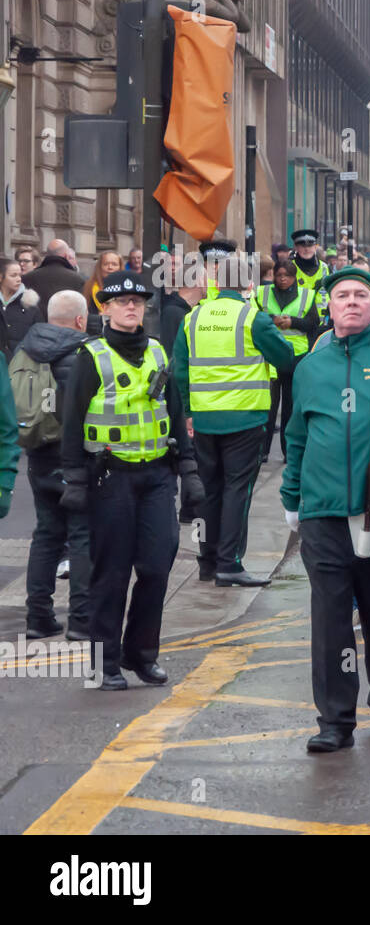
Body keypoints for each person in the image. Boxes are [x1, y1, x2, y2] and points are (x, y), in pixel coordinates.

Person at [281, 267, 370, 753]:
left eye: (363, 294)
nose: (353, 302)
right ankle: (335, 720)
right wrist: (291, 497)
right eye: (343, 295)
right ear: (330, 306)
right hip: (323, 512)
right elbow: (296, 435)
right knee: (331, 619)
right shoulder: (309, 367)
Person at [60, 270, 205, 689]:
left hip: (157, 474)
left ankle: (140, 654)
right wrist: (74, 480)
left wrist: (190, 471)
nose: (130, 308)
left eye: (138, 303)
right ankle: (103, 661)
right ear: (104, 309)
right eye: (122, 303)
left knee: (158, 567)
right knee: (112, 572)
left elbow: (176, 416)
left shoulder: (160, 352)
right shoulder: (91, 356)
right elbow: (71, 423)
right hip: (110, 477)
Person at [174, 240, 294, 586]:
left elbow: (180, 370)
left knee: (208, 491)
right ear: (247, 284)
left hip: (206, 418)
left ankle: (207, 561)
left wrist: (191, 411)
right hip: (245, 418)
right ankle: (230, 562)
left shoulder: (192, 318)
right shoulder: (251, 317)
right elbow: (285, 359)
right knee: (236, 491)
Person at [20, 291, 90, 639]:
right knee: (81, 535)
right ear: (80, 320)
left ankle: (38, 618)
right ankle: (80, 620)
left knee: (46, 536)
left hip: (37, 454)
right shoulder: (84, 351)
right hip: (73, 457)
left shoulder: (24, 349)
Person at [256, 259, 320, 463]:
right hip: (271, 354)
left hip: (295, 357)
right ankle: (263, 451)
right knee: (269, 406)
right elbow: (253, 316)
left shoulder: (307, 296)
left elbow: (313, 324)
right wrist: (272, 320)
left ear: (294, 278)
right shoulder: (261, 293)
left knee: (290, 409)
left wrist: (292, 322)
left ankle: (288, 452)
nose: (283, 279)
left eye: (287, 275)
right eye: (279, 275)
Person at [25, 240, 83, 317]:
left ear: (47, 254)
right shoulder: (78, 279)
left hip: (35, 326)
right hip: (65, 326)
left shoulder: (27, 278)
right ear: (66, 255)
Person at [0, 256, 43, 361]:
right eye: (13, 275)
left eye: (20, 275)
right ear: (1, 277)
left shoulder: (30, 304)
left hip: (20, 368)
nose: (19, 279)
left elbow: (39, 338)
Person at [290, 229, 331, 324]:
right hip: (298, 322)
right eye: (302, 245)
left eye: (310, 245)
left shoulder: (325, 268)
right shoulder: (289, 267)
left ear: (316, 247)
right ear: (296, 247)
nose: (306, 249)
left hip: (322, 323)